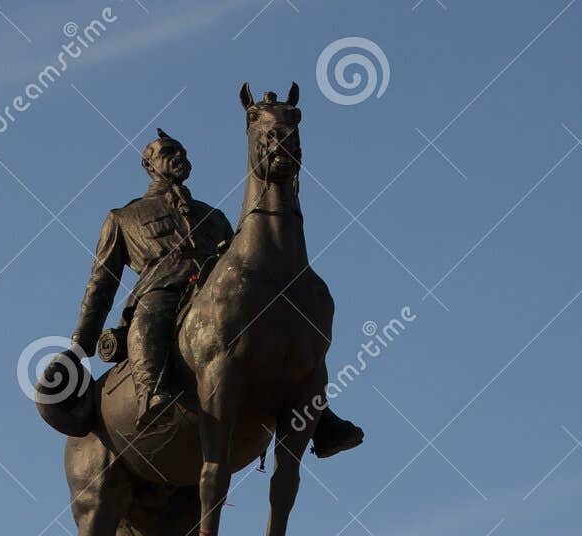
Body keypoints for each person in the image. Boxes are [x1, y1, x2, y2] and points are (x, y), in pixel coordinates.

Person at [68, 130, 362, 455]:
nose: (178, 156)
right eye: (168, 151)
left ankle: (319, 417)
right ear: (148, 165)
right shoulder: (124, 218)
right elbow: (101, 284)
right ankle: (152, 394)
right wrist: (79, 346)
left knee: (281, 321)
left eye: (181, 151)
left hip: (215, 293)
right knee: (151, 313)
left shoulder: (214, 216)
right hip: (162, 288)